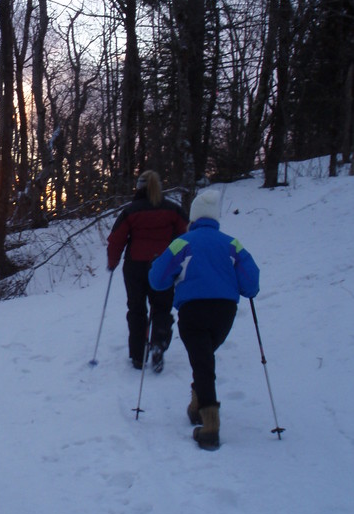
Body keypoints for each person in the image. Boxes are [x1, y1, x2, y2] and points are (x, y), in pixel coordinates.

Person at [148, 187, 260, 450]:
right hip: (224, 312)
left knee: (202, 361)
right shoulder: (232, 243)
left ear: (194, 218)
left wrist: (160, 268)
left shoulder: (183, 242)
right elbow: (251, 284)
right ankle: (196, 405)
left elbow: (157, 279)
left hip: (193, 310)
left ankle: (210, 425)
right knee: (204, 359)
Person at [107, 171, 188, 373]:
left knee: (137, 309)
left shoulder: (131, 211)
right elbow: (186, 235)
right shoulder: (173, 210)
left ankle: (138, 355)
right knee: (161, 307)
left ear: (139, 187)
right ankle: (159, 343)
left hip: (135, 266)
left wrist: (113, 261)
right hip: (163, 265)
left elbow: (116, 238)